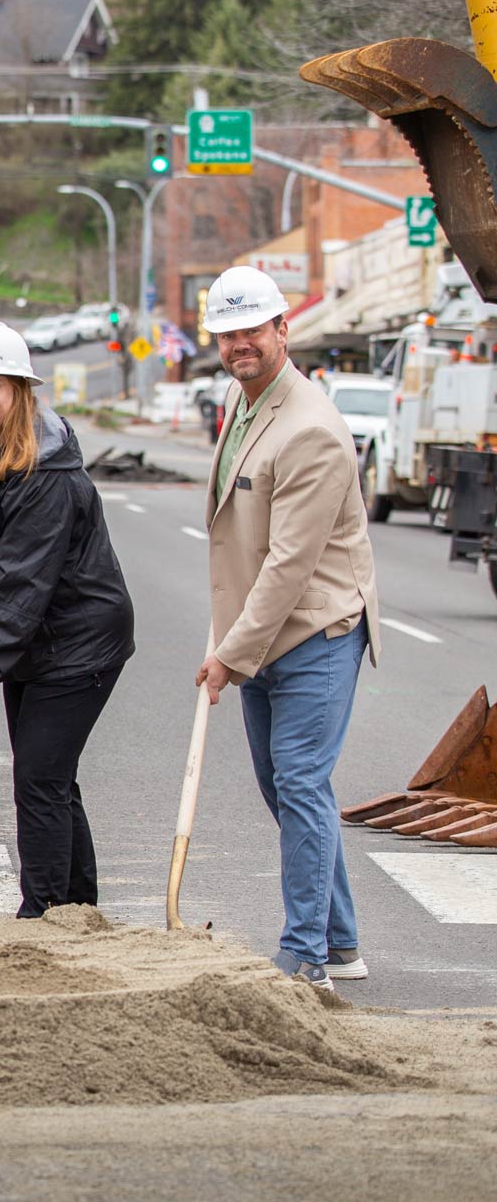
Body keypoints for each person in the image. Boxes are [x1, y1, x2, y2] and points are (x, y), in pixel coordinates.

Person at [195, 266, 381, 991]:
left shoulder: (312, 428)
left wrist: (230, 653)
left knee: (301, 782)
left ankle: (305, 954)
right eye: (229, 332)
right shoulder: (246, 405)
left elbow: (290, 565)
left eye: (253, 330)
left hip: (315, 633)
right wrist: (232, 637)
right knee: (286, 790)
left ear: (282, 329)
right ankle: (341, 941)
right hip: (261, 630)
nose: (240, 343)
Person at [0, 321, 134, 919]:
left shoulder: (42, 473)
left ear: (21, 390)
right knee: (51, 778)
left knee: (39, 782)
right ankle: (77, 908)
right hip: (39, 645)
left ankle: (45, 911)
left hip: (77, 646)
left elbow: (25, 581)